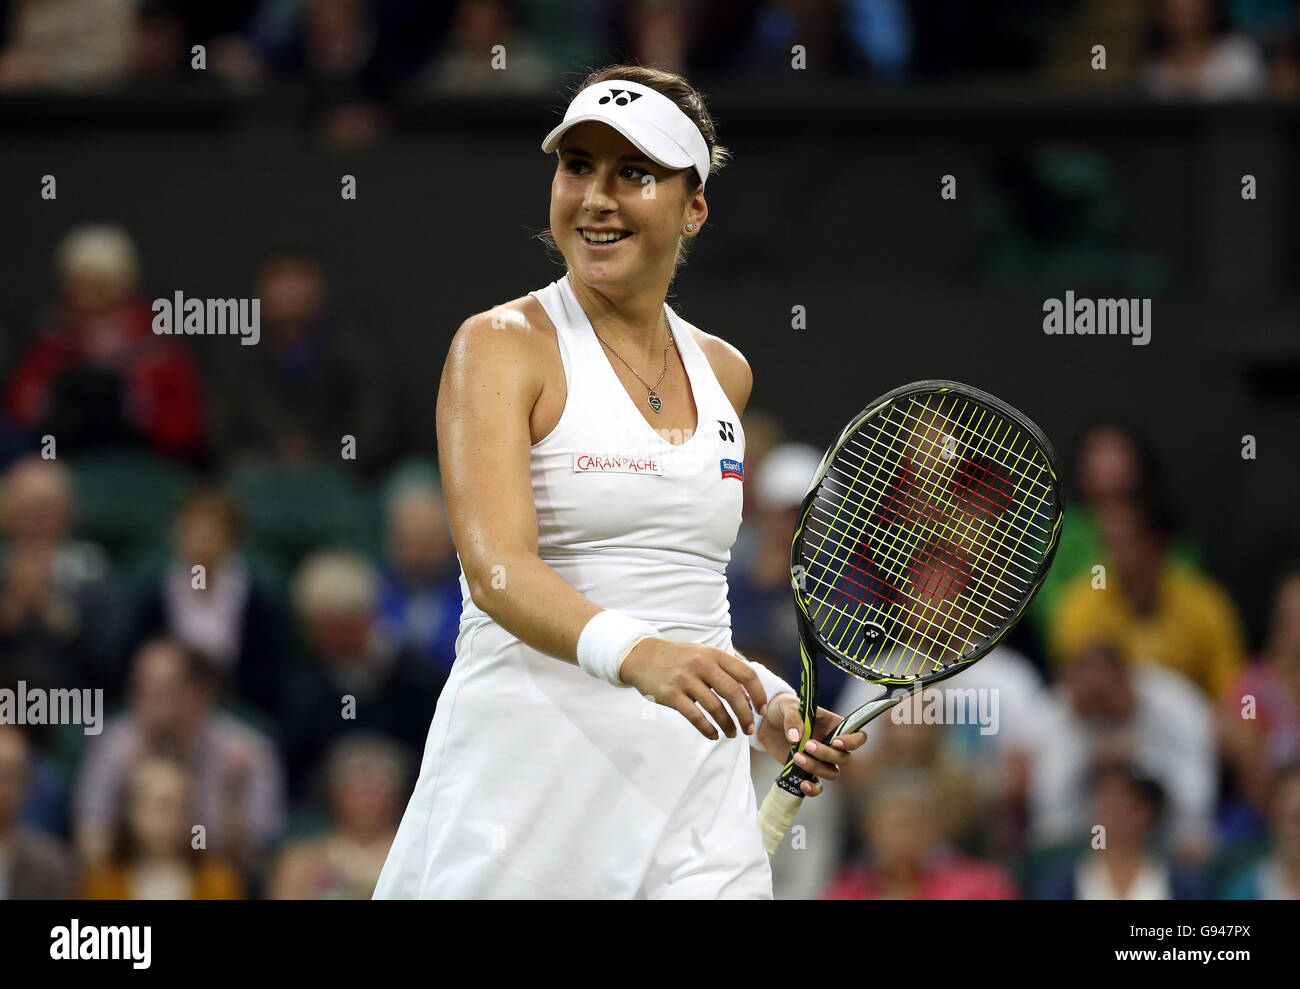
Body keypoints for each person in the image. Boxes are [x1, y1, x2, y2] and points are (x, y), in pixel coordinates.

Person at [374, 64, 866, 900]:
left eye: (633, 173)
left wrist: (764, 702)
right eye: (578, 167)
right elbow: (496, 571)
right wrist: (637, 655)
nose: (596, 197)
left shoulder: (726, 373)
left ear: (695, 206)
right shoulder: (499, 344)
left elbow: (685, 598)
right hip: (520, 788)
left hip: (689, 794)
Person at [1048, 496, 1247, 701]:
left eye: (1124, 543)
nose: (1113, 557)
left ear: (1157, 545)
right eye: (1109, 544)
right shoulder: (1079, 605)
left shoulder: (1207, 605)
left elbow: (1231, 692)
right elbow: (1068, 690)